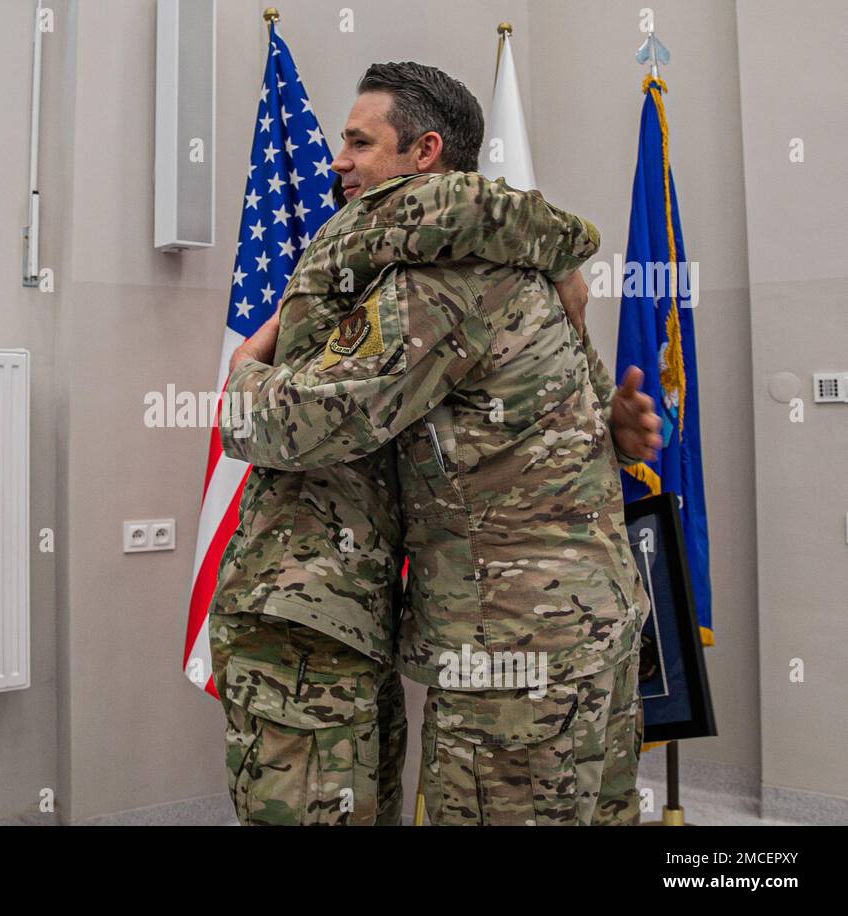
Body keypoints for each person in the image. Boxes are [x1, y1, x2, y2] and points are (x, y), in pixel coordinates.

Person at [221, 61, 659, 826]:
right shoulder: (533, 266)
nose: (339, 163)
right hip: (595, 624)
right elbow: (559, 430)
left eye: (359, 142)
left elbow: (307, 424)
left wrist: (237, 383)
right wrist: (617, 437)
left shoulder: (442, 275)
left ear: (424, 153)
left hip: (513, 647)